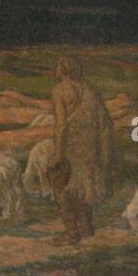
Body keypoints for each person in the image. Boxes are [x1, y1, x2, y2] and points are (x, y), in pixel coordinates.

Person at [48, 56, 114, 245]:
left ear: (64, 69)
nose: (56, 70)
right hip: (90, 147)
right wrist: (104, 153)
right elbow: (103, 123)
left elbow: (61, 126)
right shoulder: (90, 90)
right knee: (83, 186)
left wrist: (58, 154)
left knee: (63, 188)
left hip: (71, 146)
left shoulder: (59, 90)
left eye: (58, 66)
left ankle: (70, 232)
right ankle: (86, 226)